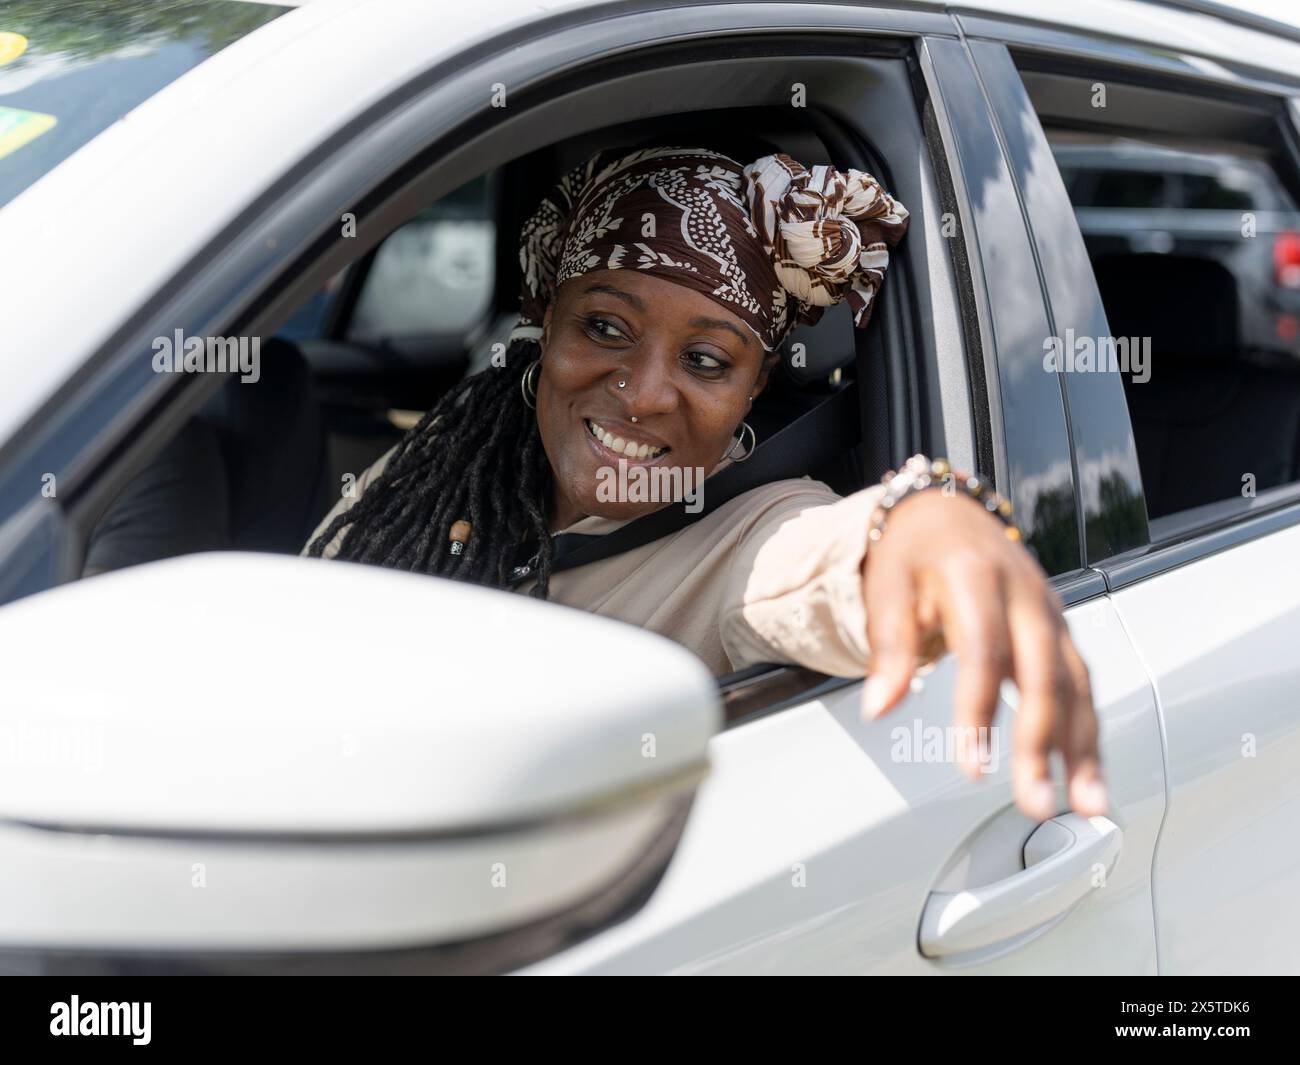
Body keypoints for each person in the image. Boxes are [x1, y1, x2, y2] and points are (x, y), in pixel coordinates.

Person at [304, 146, 1104, 821]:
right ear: (545, 324)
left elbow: (824, 565)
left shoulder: (756, 531)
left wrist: (930, 523)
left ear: (754, 388)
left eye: (707, 361)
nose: (647, 392)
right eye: (605, 327)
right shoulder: (446, 464)